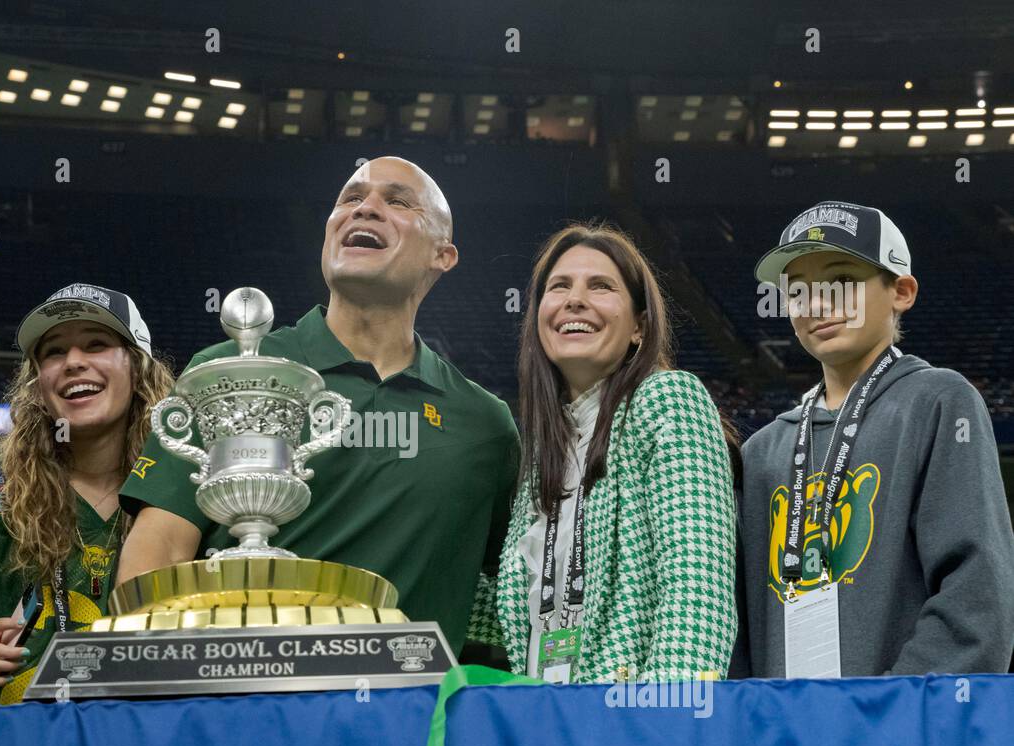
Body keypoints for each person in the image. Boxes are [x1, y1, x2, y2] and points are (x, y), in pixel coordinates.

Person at [115, 156, 520, 655]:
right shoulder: (228, 372)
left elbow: (528, 581)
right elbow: (157, 555)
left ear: (443, 255)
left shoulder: (484, 424)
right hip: (243, 707)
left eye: (396, 201)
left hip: (409, 722)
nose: (364, 209)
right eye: (350, 198)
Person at [732, 200, 1014, 678]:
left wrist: (883, 719)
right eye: (798, 291)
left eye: (842, 283)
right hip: (781, 740)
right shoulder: (760, 452)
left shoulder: (938, 402)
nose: (818, 304)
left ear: (901, 291)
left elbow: (976, 599)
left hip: (898, 734)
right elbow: (737, 628)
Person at [475, 223, 738, 684]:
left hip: (627, 723)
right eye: (559, 287)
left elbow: (697, 589)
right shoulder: (543, 451)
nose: (575, 299)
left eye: (601, 286)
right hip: (542, 716)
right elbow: (523, 614)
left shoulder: (668, 400)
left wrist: (660, 725)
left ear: (639, 326)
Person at [0, 284, 173, 704]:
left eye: (97, 344)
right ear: (38, 384)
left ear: (138, 369)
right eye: (54, 352)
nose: (74, 362)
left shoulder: (177, 494)